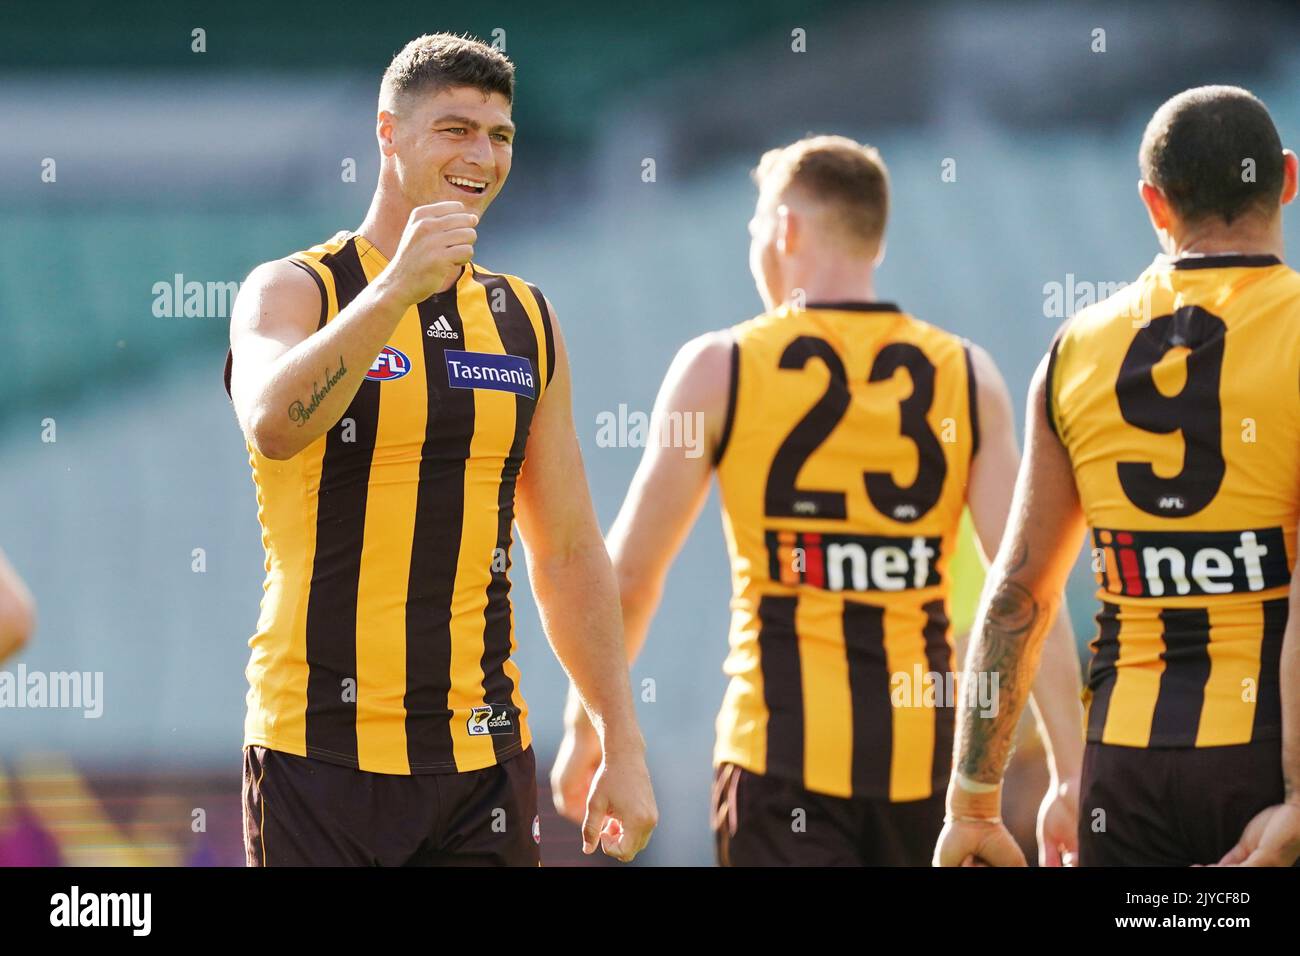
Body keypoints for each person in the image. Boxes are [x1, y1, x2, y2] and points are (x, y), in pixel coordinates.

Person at [551, 135, 1083, 866]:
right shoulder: (967, 375)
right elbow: (1028, 588)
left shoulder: (720, 367)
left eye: (755, 231)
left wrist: (592, 728)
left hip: (776, 769)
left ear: (785, 229)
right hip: (927, 776)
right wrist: (1070, 767)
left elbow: (632, 577)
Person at [225, 33, 656, 866]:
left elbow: (566, 550)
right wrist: (395, 287)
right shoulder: (294, 288)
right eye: (455, 129)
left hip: (481, 761)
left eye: (500, 137)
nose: (483, 156)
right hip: (317, 751)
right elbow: (273, 423)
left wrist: (621, 740)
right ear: (388, 134)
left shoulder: (525, 318)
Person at [937, 86, 1300, 867]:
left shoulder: (1074, 350)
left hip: (1124, 771)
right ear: (1288, 180)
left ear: (1153, 204)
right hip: (1264, 756)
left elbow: (1019, 594)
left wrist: (973, 800)